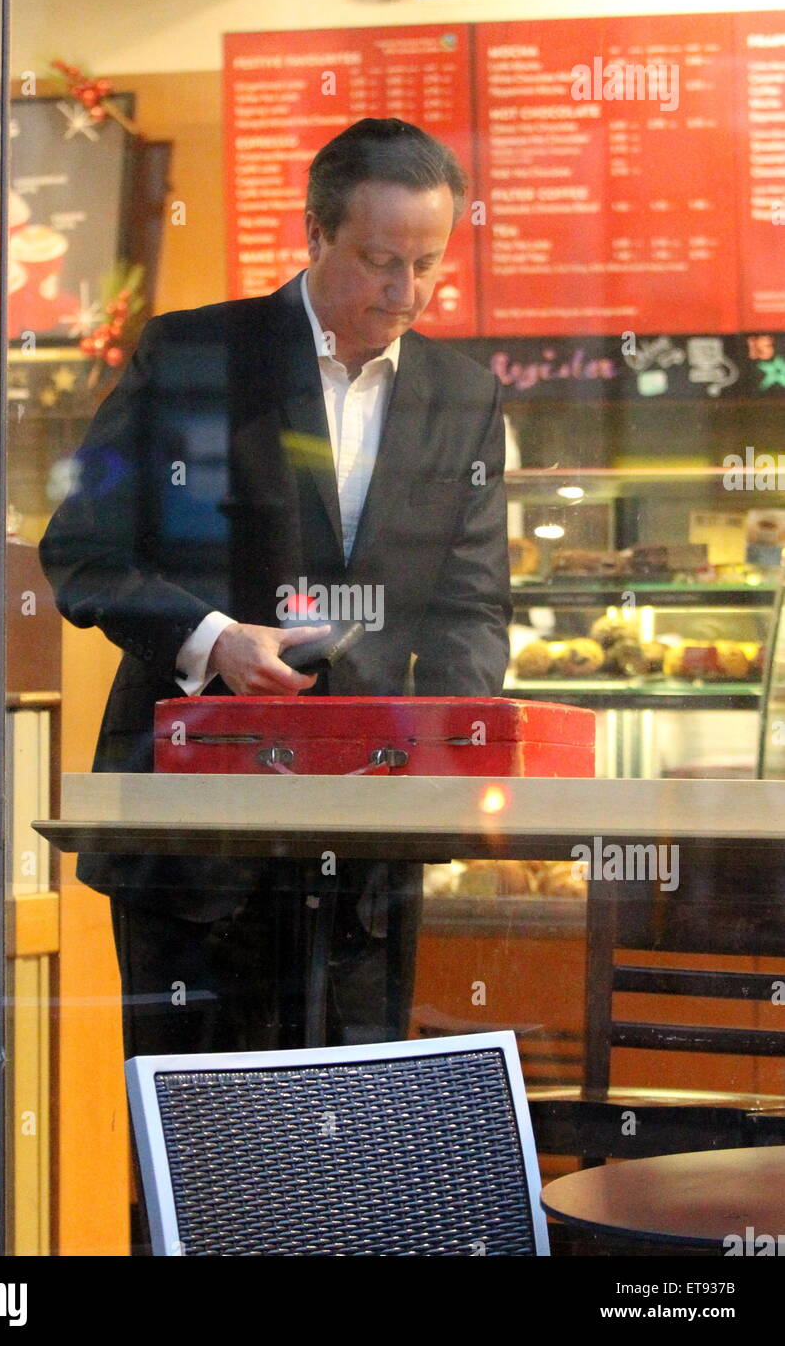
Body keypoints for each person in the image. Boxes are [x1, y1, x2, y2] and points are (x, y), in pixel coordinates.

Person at [38, 117, 511, 1065]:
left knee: (357, 1134)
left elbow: (470, 606)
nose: (404, 292)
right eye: (379, 260)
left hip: (371, 841)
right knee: (197, 1142)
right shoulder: (191, 357)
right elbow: (82, 549)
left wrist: (448, 744)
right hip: (196, 833)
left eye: (427, 263)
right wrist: (211, 639)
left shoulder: (462, 394)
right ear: (314, 234)